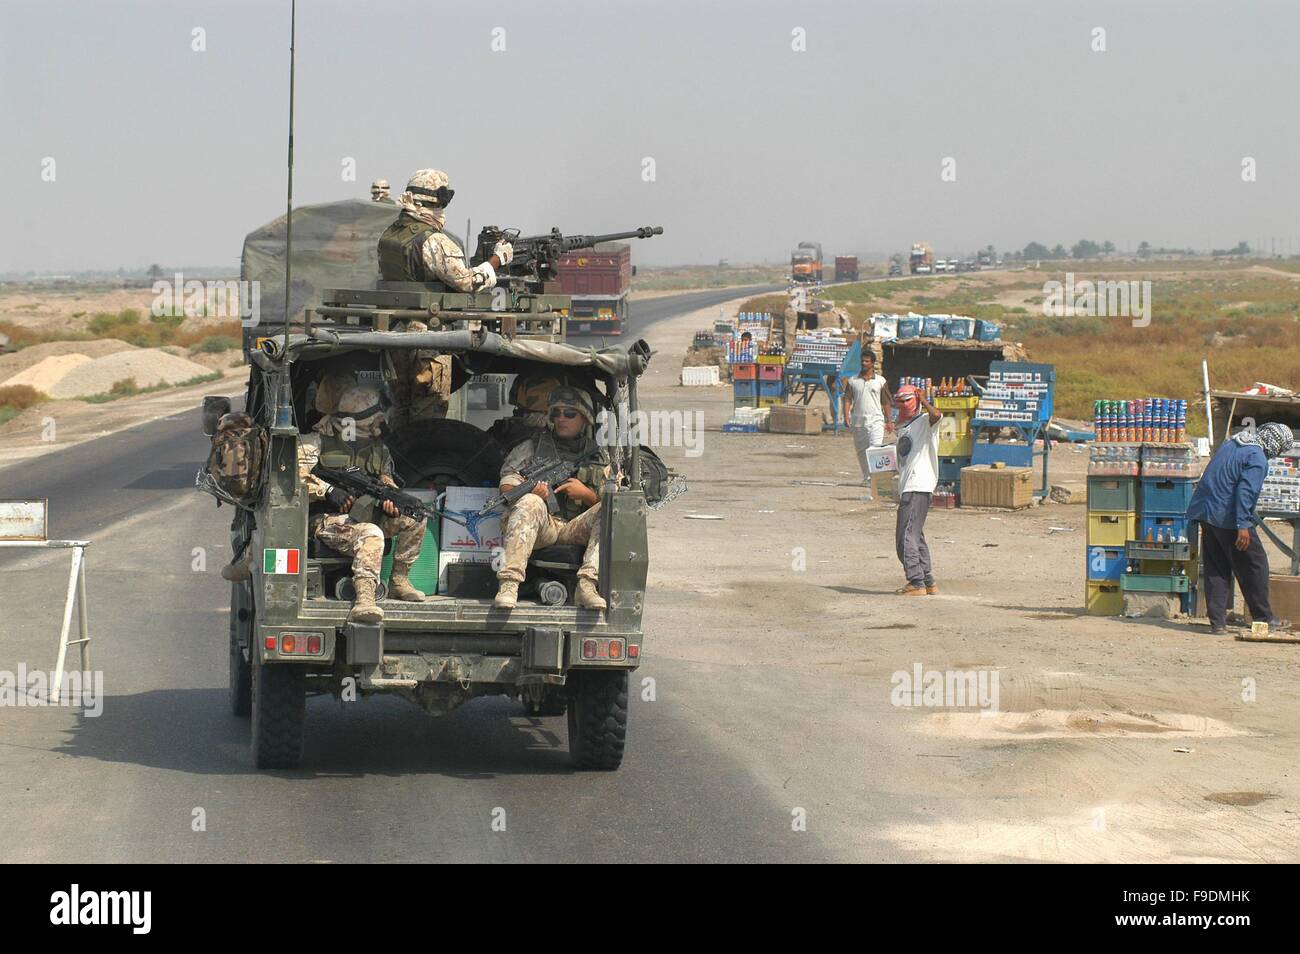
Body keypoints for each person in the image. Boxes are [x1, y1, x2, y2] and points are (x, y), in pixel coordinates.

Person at [298, 386, 429, 623]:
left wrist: (393, 501)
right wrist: (327, 491)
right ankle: (366, 598)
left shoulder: (379, 449)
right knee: (371, 534)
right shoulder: (316, 442)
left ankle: (399, 580)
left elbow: (386, 481)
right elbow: (295, 478)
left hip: (366, 513)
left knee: (416, 516)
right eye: (374, 420)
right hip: (324, 520)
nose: (380, 425)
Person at [493, 386, 611, 611]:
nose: (561, 419)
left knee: (610, 510)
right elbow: (507, 485)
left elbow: (614, 500)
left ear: (585, 419)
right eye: (556, 414)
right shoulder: (531, 449)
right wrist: (531, 492)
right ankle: (509, 585)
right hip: (543, 527)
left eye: (569, 414)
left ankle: (587, 585)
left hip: (575, 527)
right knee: (530, 502)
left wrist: (586, 495)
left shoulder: (599, 455)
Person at [1187, 422, 1294, 634]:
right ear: (1276, 443)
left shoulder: (1233, 444)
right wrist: (1242, 525)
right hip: (1228, 518)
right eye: (1281, 448)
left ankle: (1217, 623)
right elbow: (1246, 491)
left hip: (1206, 513)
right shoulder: (1257, 457)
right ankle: (1263, 618)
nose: (1278, 453)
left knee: (1217, 567)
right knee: (1255, 565)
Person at [377, 169, 512, 291]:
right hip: (426, 315)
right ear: (431, 203)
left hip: (394, 312)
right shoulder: (434, 241)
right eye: (440, 204)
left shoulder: (390, 232)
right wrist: (497, 259)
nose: (441, 209)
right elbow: (467, 282)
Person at [893, 384, 941, 596]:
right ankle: (927, 581)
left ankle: (915, 581)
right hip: (908, 486)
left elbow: (937, 416)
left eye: (908, 400)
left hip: (917, 484)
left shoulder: (924, 421)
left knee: (905, 536)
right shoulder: (904, 426)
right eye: (901, 401)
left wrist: (924, 401)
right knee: (915, 535)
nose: (905, 405)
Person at [841, 351, 893, 498]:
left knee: (875, 450)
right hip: (858, 421)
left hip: (876, 420)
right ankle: (867, 477)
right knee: (861, 451)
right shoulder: (852, 381)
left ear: (873, 363)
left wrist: (889, 421)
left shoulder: (880, 381)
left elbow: (886, 402)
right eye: (862, 361)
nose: (864, 364)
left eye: (867, 361)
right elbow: (847, 399)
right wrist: (846, 416)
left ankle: (877, 481)